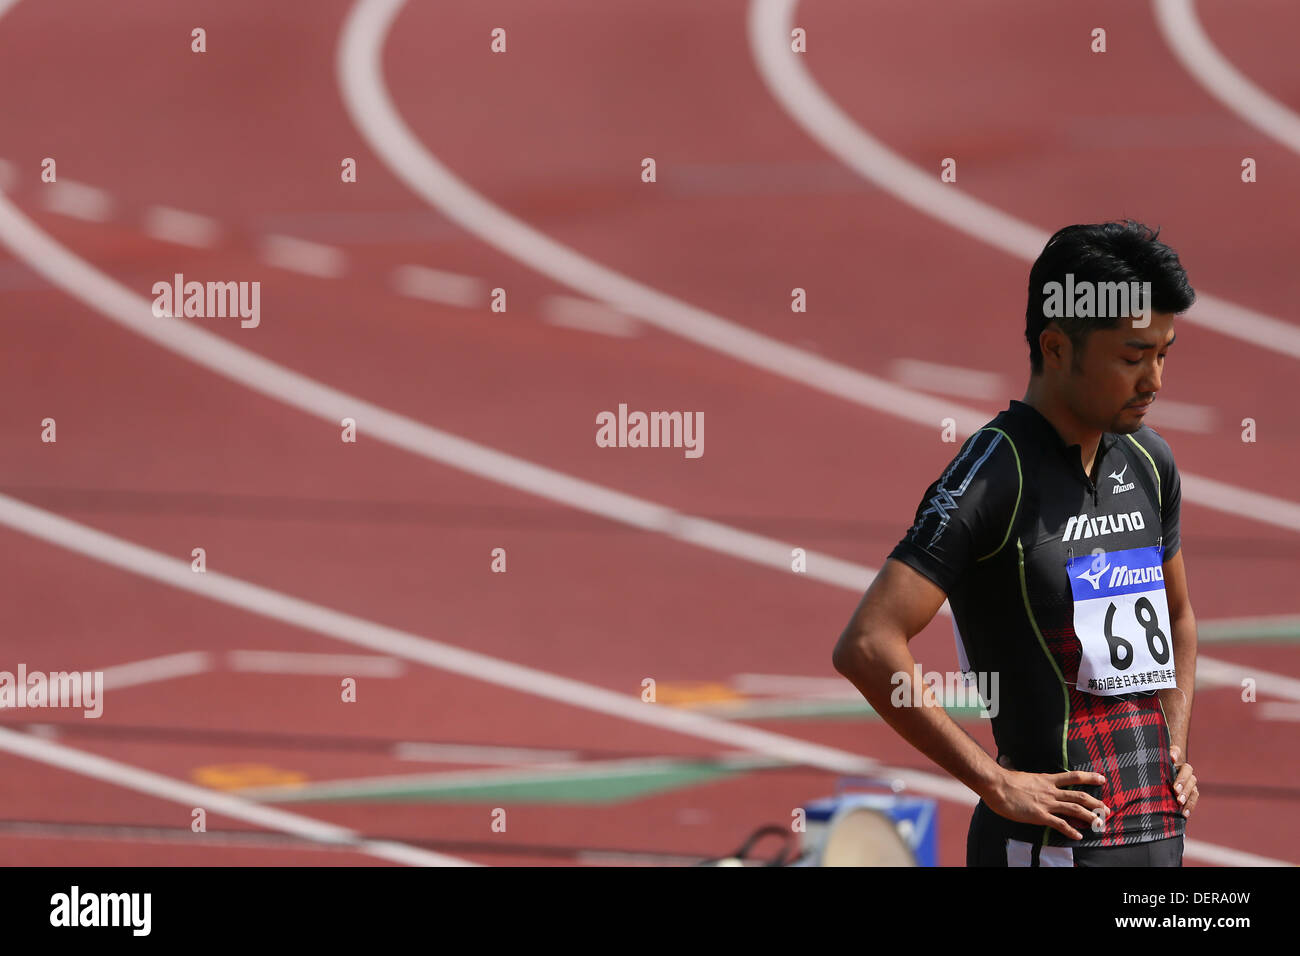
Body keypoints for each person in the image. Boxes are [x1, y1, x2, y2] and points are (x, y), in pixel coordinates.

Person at [833, 221, 1200, 866]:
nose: (1155, 381)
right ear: (1056, 348)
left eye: (1164, 354)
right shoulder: (995, 472)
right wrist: (994, 782)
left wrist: (1173, 745)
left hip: (1159, 842)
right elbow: (867, 644)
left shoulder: (1150, 460)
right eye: (1132, 357)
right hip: (1046, 850)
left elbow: (1176, 616)